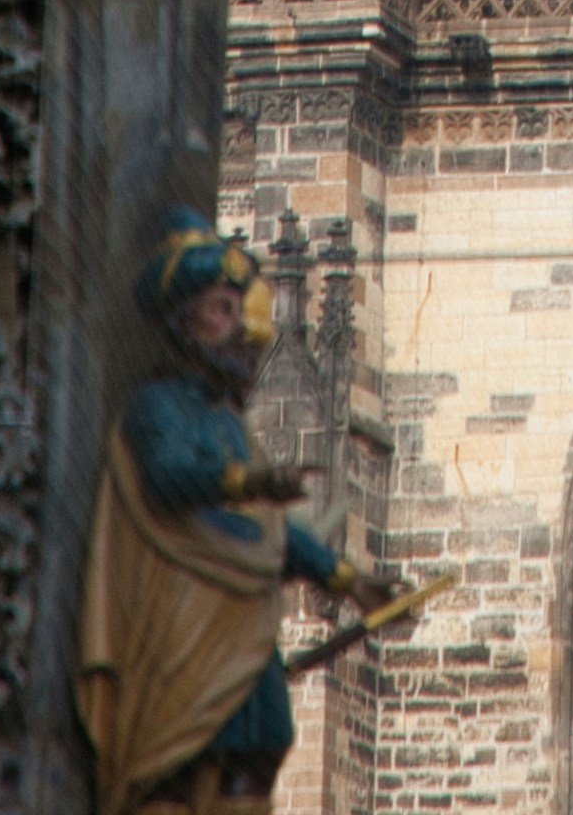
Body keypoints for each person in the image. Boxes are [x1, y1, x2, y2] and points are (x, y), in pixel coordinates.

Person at [80, 219, 394, 815]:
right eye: (223, 309)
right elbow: (167, 481)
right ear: (183, 320)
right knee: (175, 765)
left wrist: (347, 579)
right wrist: (250, 481)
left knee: (259, 750)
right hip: (182, 615)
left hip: (239, 621)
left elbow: (270, 534)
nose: (245, 330)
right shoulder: (158, 405)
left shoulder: (230, 424)